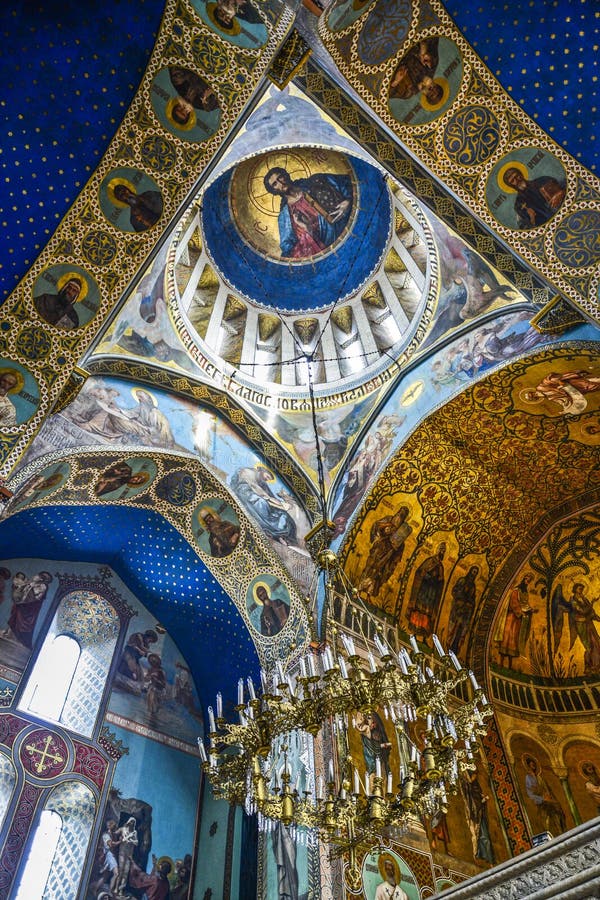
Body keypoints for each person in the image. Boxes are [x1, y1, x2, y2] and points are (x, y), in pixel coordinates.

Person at [263, 165, 352, 258]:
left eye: (280, 177)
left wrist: (348, 201)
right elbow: (287, 248)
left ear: (286, 175)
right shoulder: (285, 216)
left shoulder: (315, 181)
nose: (280, 183)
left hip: (346, 229)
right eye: (275, 184)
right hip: (327, 249)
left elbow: (347, 182)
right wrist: (307, 229)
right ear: (274, 190)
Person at [230, 466, 297, 545]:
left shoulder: (262, 483)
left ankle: (280, 535)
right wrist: (269, 499)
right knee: (261, 503)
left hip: (255, 496)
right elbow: (256, 489)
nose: (267, 479)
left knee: (283, 514)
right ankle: (275, 532)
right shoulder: (248, 471)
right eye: (267, 476)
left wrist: (282, 504)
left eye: (269, 479)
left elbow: (269, 496)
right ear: (262, 471)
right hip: (245, 493)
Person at [363, 506, 411, 599]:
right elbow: (377, 525)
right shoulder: (389, 519)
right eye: (400, 512)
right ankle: (360, 589)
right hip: (379, 548)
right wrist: (386, 527)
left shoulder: (404, 528)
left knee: (379, 573)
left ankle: (369, 594)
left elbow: (400, 543)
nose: (401, 515)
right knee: (370, 567)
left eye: (403, 514)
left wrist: (397, 548)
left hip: (389, 554)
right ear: (397, 511)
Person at [501, 166, 565, 229]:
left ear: (521, 174)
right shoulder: (519, 204)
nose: (517, 180)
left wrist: (561, 193)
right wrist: (532, 218)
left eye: (516, 176)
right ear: (511, 185)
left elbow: (566, 184)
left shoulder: (542, 180)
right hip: (552, 227)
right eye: (512, 181)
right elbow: (529, 227)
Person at [3, 571, 53, 649]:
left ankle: (18, 639)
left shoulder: (43, 586)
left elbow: (34, 596)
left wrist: (28, 588)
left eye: (37, 575)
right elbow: (23, 592)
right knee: (15, 615)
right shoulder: (32, 583)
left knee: (23, 622)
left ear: (41, 578)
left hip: (30, 607)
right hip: (24, 604)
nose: (35, 576)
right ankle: (9, 633)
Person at [406, 543, 447, 638]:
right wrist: (428, 577)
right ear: (437, 550)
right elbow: (420, 572)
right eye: (441, 550)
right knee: (418, 610)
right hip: (423, 590)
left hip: (431, 594)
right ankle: (413, 631)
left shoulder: (441, 567)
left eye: (443, 551)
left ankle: (423, 635)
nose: (442, 552)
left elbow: (441, 582)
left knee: (427, 614)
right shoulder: (430, 561)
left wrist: (438, 580)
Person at [496, 573, 535, 669]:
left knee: (514, 640)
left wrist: (530, 610)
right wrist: (521, 612)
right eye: (526, 580)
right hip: (511, 618)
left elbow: (525, 604)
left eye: (529, 581)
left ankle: (509, 665)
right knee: (507, 638)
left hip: (518, 621)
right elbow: (514, 603)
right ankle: (500, 663)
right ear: (523, 579)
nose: (527, 582)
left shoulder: (525, 593)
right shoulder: (516, 591)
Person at [563, 582, 600, 675]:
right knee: (588, 647)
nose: (581, 591)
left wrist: (597, 617)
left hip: (589, 623)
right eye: (580, 589)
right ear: (575, 589)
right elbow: (583, 611)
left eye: (582, 589)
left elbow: (590, 612)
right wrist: (592, 603)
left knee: (596, 643)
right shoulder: (573, 600)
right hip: (581, 625)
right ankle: (587, 668)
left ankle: (595, 667)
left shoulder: (584, 599)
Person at [523, 755, 566, 836]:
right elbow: (530, 794)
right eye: (532, 765)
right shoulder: (528, 778)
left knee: (557, 819)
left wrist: (552, 799)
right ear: (528, 766)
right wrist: (542, 799)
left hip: (550, 803)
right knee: (547, 825)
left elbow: (548, 790)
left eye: (534, 765)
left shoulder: (540, 778)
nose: (534, 767)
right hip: (542, 804)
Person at [460, 769, 495, 864]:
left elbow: (479, 797)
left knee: (485, 838)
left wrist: (483, 798)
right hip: (473, 817)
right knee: (475, 836)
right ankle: (476, 855)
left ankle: (488, 858)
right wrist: (482, 801)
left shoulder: (476, 787)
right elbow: (471, 804)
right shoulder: (467, 790)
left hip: (480, 816)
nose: (475, 777)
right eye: (473, 775)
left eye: (475, 776)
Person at [448, 566, 479, 655]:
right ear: (469, 571)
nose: (473, 574)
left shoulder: (473, 586)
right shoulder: (462, 580)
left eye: (475, 573)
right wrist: (460, 599)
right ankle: (448, 645)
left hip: (465, 613)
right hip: (458, 609)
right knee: (454, 628)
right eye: (473, 572)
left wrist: (470, 604)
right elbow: (455, 591)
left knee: (461, 630)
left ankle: (455, 649)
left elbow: (472, 599)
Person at [355, 710, 391, 784]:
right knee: (372, 777)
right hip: (370, 758)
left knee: (382, 777)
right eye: (366, 718)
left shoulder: (377, 734)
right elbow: (359, 728)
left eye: (369, 718)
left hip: (380, 760)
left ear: (375, 722)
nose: (366, 721)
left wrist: (384, 745)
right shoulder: (366, 730)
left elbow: (379, 745)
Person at [115, 816, 139, 896]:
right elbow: (116, 833)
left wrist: (131, 840)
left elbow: (136, 843)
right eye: (131, 821)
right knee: (120, 870)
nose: (132, 823)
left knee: (126, 872)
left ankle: (121, 890)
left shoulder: (134, 832)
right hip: (122, 853)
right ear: (128, 822)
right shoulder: (123, 829)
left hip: (129, 855)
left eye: (133, 822)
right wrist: (120, 837)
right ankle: (116, 887)